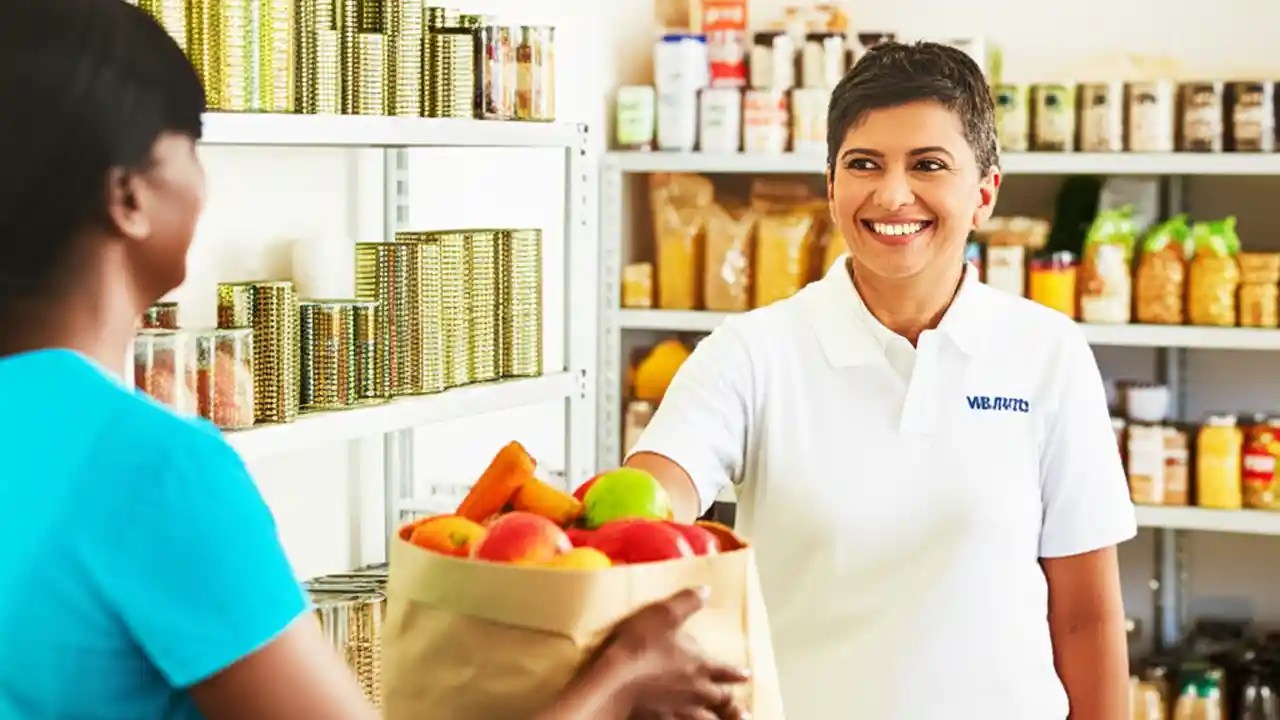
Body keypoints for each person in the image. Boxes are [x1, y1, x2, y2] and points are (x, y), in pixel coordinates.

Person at [0, 1, 748, 718]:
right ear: (128, 196)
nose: (203, 182)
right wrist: (624, 675)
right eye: (189, 148)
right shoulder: (153, 467)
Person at [625, 42, 1138, 719]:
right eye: (864, 164)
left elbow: (1087, 618)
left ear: (983, 192)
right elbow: (657, 491)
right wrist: (610, 527)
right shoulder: (752, 352)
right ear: (832, 186)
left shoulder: (1047, 353)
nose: (892, 194)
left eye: (928, 165)